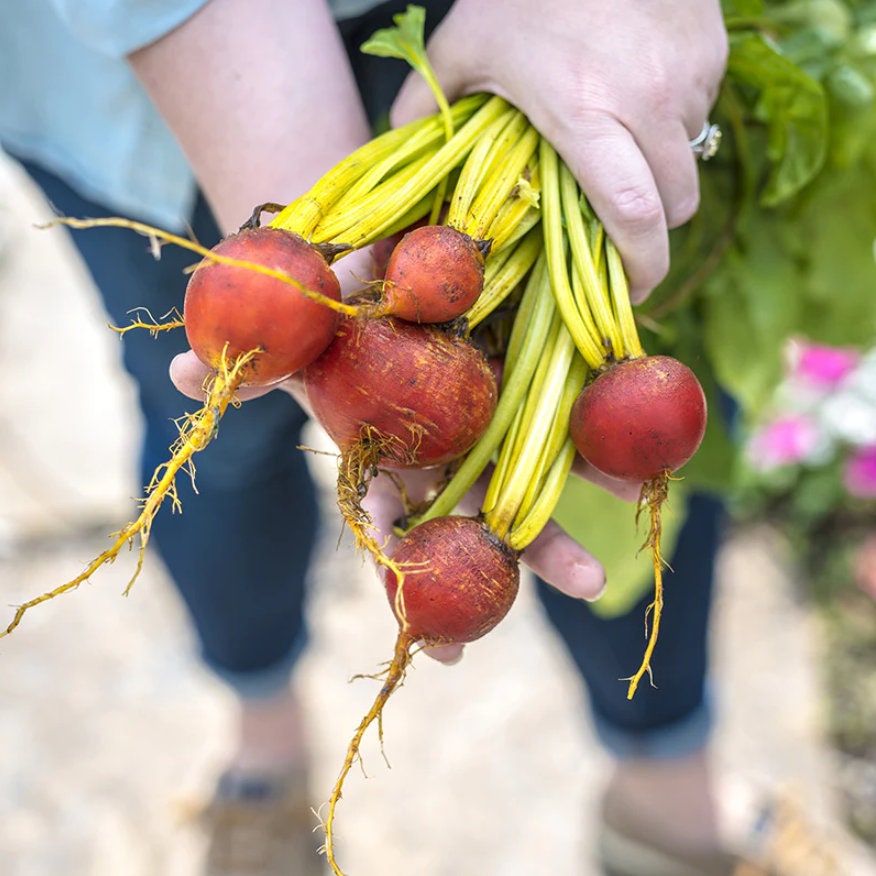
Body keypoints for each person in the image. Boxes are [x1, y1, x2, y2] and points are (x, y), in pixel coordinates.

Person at [0, 1, 739, 874]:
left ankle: (669, 788)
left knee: (606, 442)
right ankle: (262, 741)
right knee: (211, 447)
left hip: (542, 40)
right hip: (138, 74)